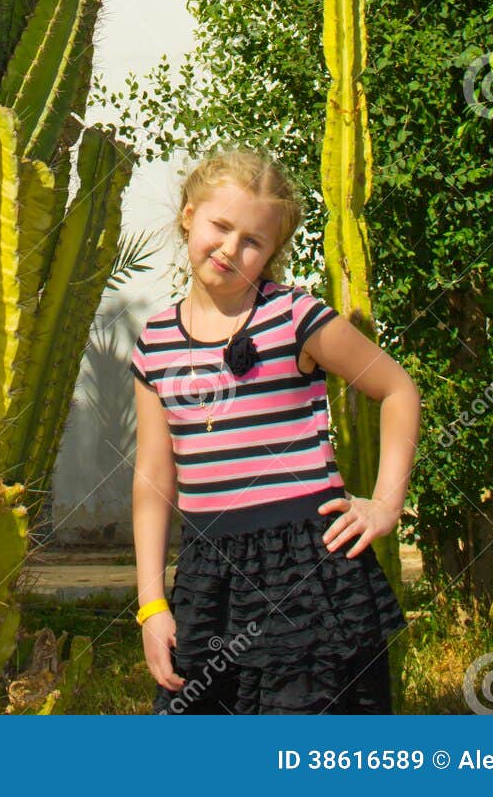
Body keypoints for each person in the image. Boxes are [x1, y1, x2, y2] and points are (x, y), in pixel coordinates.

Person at [131, 147, 420, 715]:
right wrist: (150, 604)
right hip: (207, 575)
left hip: (308, 570)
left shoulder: (295, 317)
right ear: (188, 214)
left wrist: (387, 504)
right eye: (220, 226)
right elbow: (151, 479)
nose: (231, 249)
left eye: (253, 241)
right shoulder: (156, 341)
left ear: (272, 252)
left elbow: (398, 390)